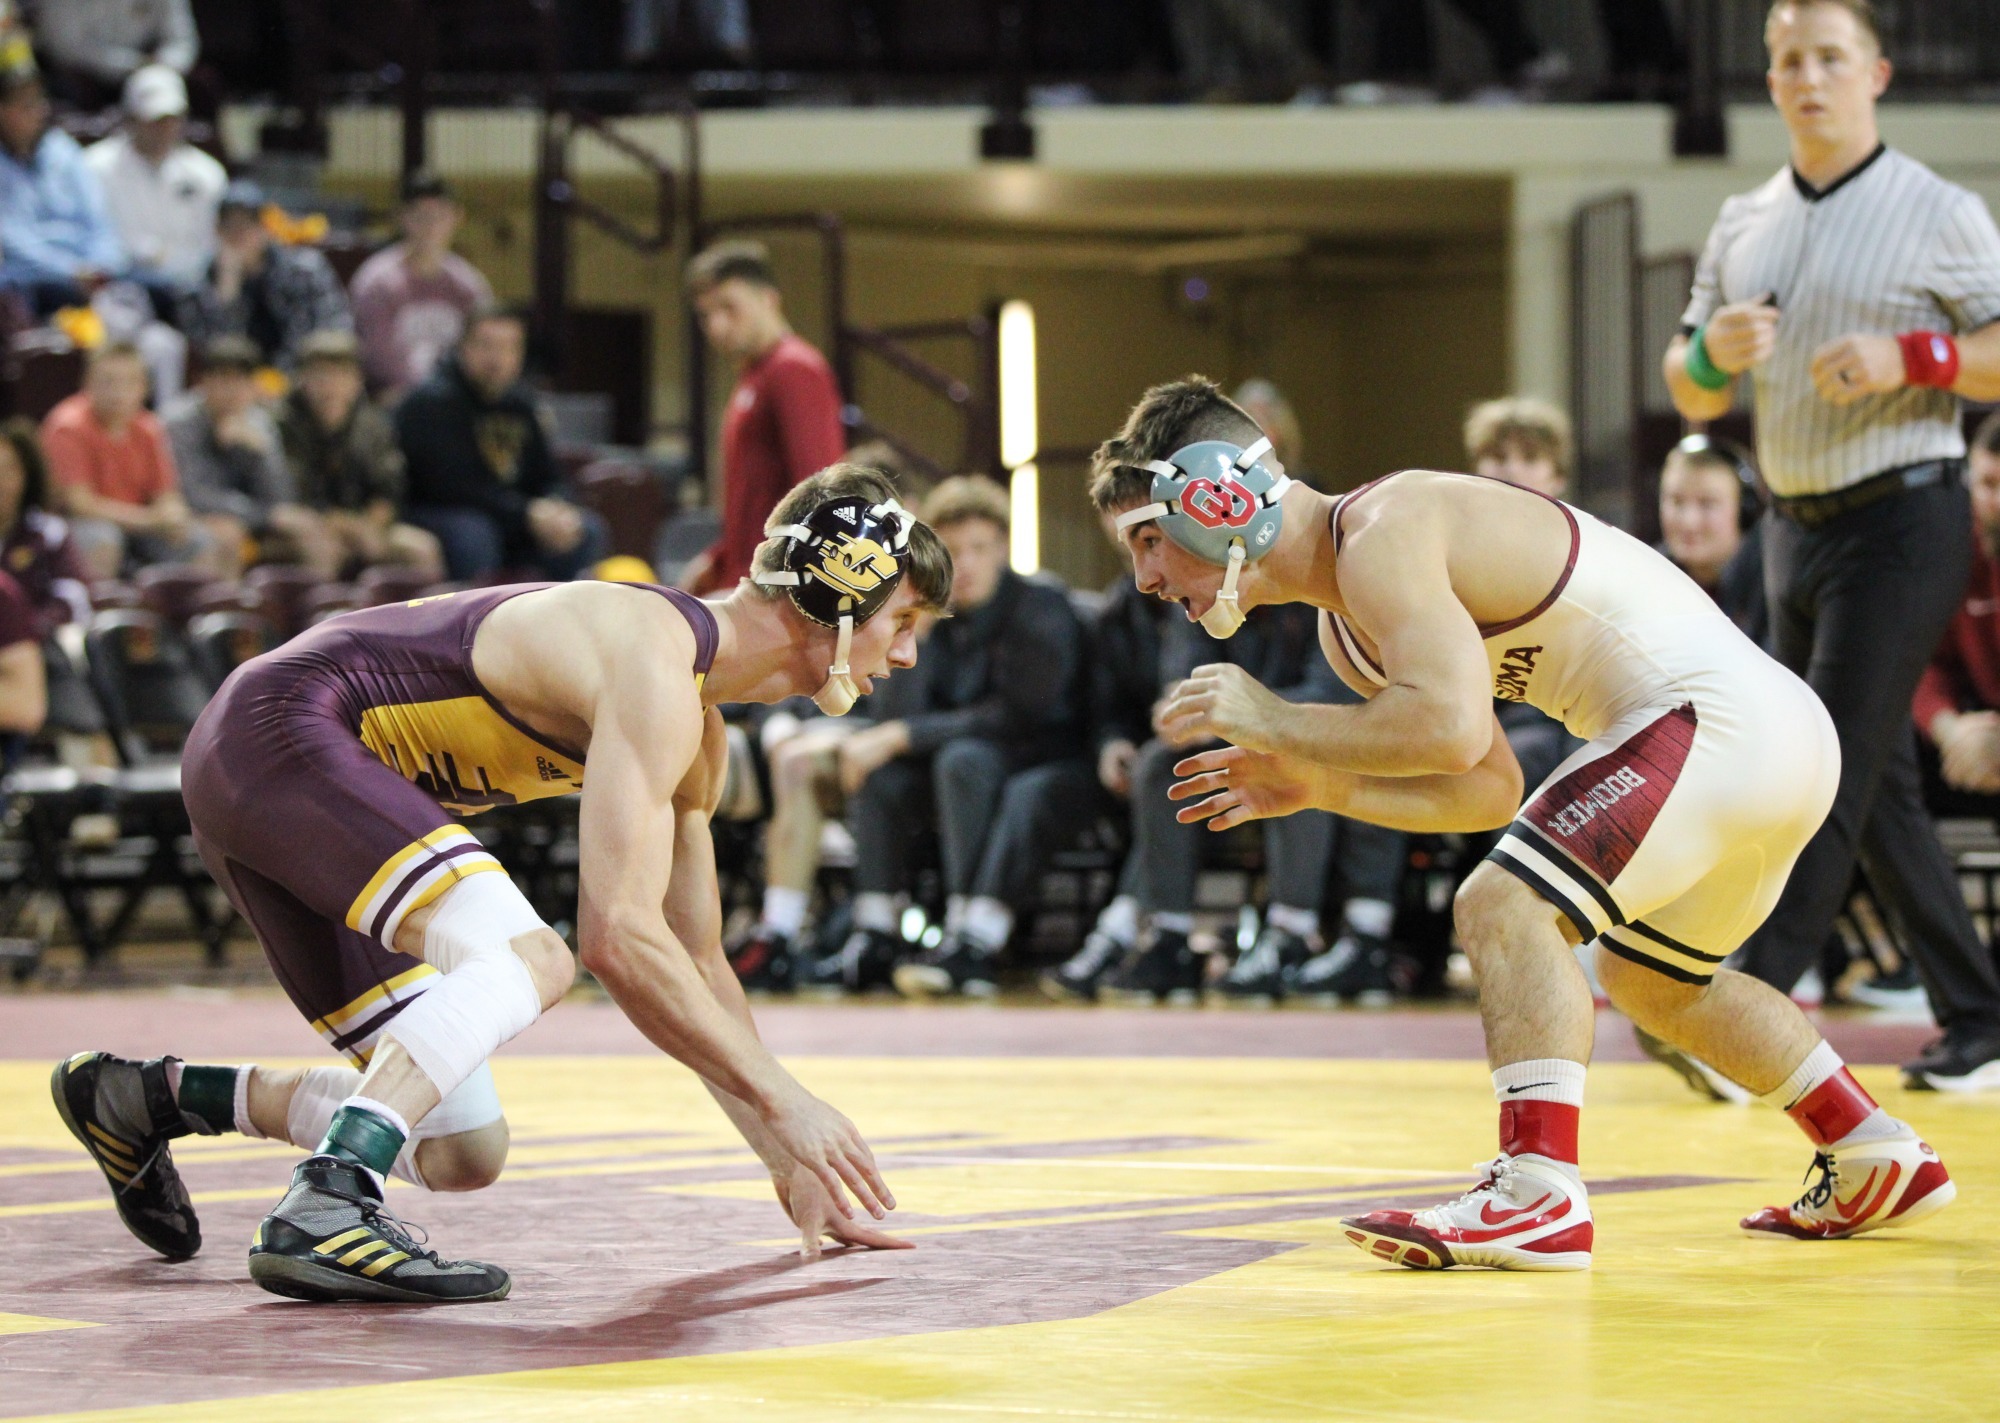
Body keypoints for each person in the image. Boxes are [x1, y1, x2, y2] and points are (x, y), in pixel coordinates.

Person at [1097, 375, 1953, 1270]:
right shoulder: (1346, 630)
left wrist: (1278, 721)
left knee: (1502, 905)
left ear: (1218, 497)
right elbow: (1487, 789)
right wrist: (1321, 783)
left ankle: (1537, 1191)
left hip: (1711, 723)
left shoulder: (1386, 527)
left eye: (1148, 540)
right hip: (1767, 735)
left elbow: (1450, 727)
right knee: (1654, 980)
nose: (1146, 578)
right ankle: (1869, 1147)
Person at [51, 465, 951, 1303]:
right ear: (840, 593)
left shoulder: (695, 728)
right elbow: (616, 940)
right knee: (535, 955)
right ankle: (330, 1194)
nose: (908, 654)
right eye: (903, 619)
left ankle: (148, 1097)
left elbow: (697, 962)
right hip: (281, 731)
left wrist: (785, 1154)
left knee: (460, 1145)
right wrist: (788, 1099)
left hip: (278, 775)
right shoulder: (653, 656)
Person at [1664, 0, 2000, 1092]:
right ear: (1769, 80)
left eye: (1830, 58)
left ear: (1875, 74)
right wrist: (1709, 358)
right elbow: (1687, 385)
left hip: (1903, 516)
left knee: (1825, 768)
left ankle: (1745, 1012)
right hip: (1791, 528)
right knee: (1878, 785)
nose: (1808, 77)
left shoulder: (1938, 210)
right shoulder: (1742, 218)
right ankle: (1981, 1018)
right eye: (1788, 61)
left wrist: (1915, 356)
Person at [812, 476, 1087, 996]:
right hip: (962, 763)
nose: (968, 564)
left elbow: (1019, 715)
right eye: (953, 552)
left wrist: (901, 735)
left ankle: (970, 937)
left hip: (1047, 760)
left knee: (962, 760)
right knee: (883, 776)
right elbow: (895, 711)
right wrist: (916, 632)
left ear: (1003, 548)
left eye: (979, 549)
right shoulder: (938, 617)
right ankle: (875, 934)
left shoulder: (1041, 605)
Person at [680, 240, 845, 596]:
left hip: (771, 588)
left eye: (729, 307)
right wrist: (719, 558)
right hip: (748, 579)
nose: (717, 326)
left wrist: (778, 586)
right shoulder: (756, 375)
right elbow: (753, 499)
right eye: (706, 315)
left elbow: (820, 491)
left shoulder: (793, 369)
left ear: (768, 299)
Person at [396, 306, 603, 581]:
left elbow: (548, 474)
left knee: (585, 529)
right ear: (463, 348)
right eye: (487, 346)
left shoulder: (521, 404)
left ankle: (547, 605)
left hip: (508, 516)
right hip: (439, 512)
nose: (497, 358)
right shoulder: (431, 402)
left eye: (508, 348)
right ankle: (471, 609)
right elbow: (454, 487)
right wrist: (527, 513)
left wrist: (557, 507)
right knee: (474, 534)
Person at [277, 329, 442, 582]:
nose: (331, 386)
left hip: (366, 523)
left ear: (357, 381)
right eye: (321, 375)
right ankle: (325, 609)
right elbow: (291, 495)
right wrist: (346, 527)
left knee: (421, 548)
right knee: (324, 549)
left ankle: (426, 609)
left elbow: (389, 489)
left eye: (341, 375)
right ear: (302, 379)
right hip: (307, 526)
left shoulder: (373, 425)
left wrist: (371, 525)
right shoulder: (282, 425)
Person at [164, 335, 330, 580]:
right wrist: (262, 515)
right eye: (223, 381)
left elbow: (283, 498)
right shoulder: (179, 423)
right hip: (192, 516)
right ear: (204, 382)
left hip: (248, 516)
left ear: (254, 387)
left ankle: (313, 602)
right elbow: (193, 494)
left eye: (240, 382)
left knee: (310, 528)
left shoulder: (259, 422)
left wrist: (261, 453)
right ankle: (227, 604)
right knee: (228, 534)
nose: (231, 392)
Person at [39, 341, 206, 578]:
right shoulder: (67, 427)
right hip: (78, 523)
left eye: (129, 382)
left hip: (138, 523)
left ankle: (196, 601)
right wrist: (150, 520)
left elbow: (165, 493)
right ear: (87, 383)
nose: (118, 392)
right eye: (108, 381)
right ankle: (99, 601)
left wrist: (173, 514)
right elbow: (80, 504)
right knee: (103, 538)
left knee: (199, 539)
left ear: (144, 388)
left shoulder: (149, 427)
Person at [350, 169, 495, 401]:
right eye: (420, 216)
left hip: (457, 399)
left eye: (440, 216)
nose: (431, 226)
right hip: (392, 399)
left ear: (458, 217)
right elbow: (376, 361)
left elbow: (483, 348)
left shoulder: (469, 285)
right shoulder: (377, 282)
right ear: (401, 217)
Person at [1916, 412, 2000, 813]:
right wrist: (1951, 730)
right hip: (1976, 733)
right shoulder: (1951, 551)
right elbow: (1924, 663)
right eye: (1989, 484)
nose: (1998, 501)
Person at [179, 180, 352, 373]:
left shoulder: (304, 271)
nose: (239, 235)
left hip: (302, 379)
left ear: (265, 228)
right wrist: (227, 293)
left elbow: (334, 329)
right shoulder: (197, 287)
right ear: (217, 231)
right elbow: (214, 355)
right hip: (238, 384)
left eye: (248, 225)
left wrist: (281, 376)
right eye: (230, 226)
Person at [81, 65, 225, 293]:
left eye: (172, 119)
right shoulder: (94, 167)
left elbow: (211, 245)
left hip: (191, 288)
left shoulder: (207, 174)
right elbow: (92, 239)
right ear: (131, 118)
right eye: (155, 120)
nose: (165, 129)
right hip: (121, 287)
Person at [0, 60, 126, 315]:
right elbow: (12, 241)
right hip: (32, 281)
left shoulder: (64, 151)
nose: (39, 111)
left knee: (149, 293)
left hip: (89, 273)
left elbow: (99, 220)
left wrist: (101, 266)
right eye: (26, 105)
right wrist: (71, 272)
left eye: (40, 101)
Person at [1656, 435, 1768, 645]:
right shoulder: (1646, 577)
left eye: (1708, 503)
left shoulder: (1773, 585)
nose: (1690, 522)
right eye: (1676, 501)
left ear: (1744, 512)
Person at [33, 0, 197, 105]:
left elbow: (182, 42)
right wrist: (130, 64)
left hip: (145, 74)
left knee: (171, 89)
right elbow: (66, 47)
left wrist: (162, 65)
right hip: (84, 74)